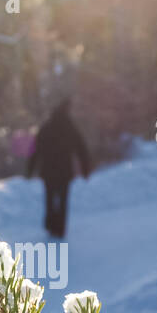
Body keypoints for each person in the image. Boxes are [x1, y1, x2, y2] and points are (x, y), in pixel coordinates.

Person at [27, 99, 91, 238]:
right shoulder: (70, 128)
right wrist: (86, 169)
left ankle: (50, 225)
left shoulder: (46, 127)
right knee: (63, 199)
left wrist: (30, 170)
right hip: (64, 172)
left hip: (48, 171)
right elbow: (81, 149)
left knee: (49, 197)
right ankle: (60, 228)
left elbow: (35, 150)